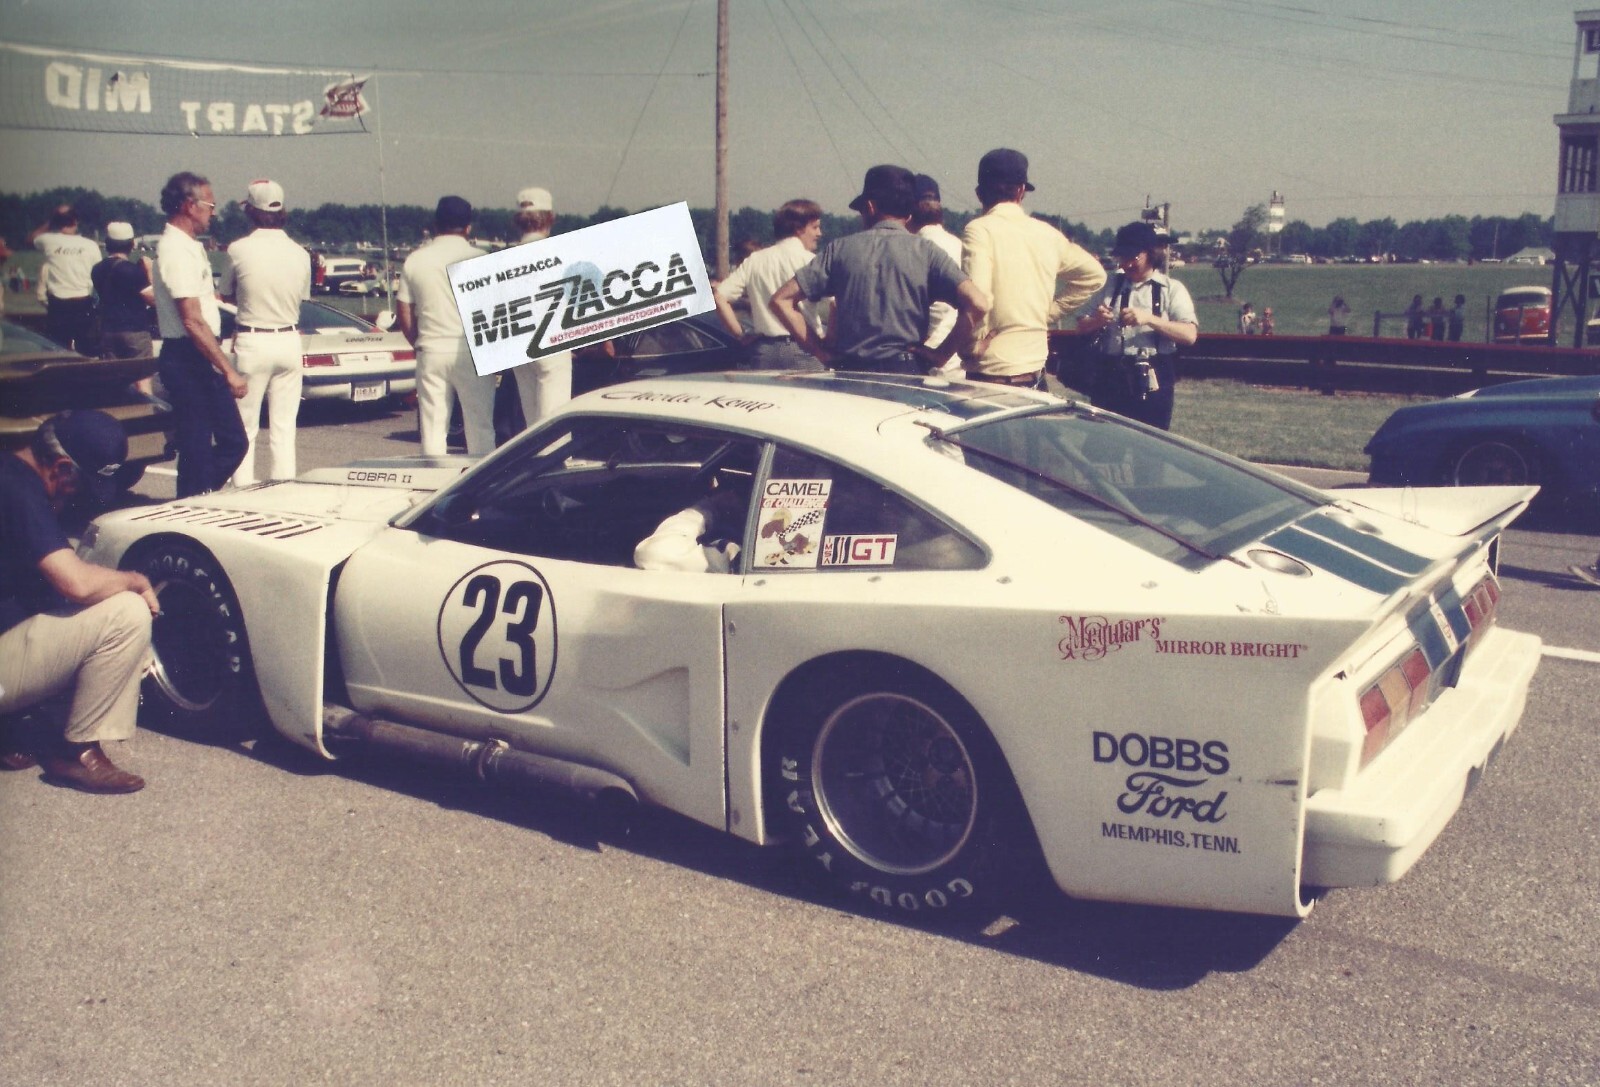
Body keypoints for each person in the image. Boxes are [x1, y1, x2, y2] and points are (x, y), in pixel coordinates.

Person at [0, 410, 159, 793]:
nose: (78, 496)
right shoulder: (17, 489)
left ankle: (14, 727)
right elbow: (75, 583)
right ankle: (74, 754)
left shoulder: (9, 472)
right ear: (61, 466)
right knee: (127, 613)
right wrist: (135, 581)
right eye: (79, 485)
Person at [769, 164, 989, 374]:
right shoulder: (927, 252)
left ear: (870, 207)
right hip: (907, 372)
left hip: (851, 371)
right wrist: (942, 354)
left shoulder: (839, 249)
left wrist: (819, 351)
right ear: (909, 214)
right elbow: (978, 303)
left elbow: (781, 300)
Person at [960, 150, 1105, 389]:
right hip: (1035, 373)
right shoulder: (1047, 234)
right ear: (1021, 192)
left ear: (979, 193)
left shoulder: (979, 229)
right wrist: (1047, 314)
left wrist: (970, 346)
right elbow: (1094, 275)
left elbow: (980, 296)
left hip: (992, 374)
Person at [152, 171, 249, 498]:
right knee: (196, 447)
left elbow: (196, 306)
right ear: (189, 205)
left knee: (232, 443)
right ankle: (190, 507)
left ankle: (194, 499)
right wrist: (229, 371)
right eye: (210, 204)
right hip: (187, 355)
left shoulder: (188, 247)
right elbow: (192, 321)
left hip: (197, 352)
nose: (213, 211)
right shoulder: (175, 250)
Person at [218, 179, 312, 487]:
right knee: (284, 427)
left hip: (253, 340)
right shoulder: (300, 253)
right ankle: (283, 488)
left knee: (245, 426)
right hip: (288, 340)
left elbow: (227, 294)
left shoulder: (238, 249)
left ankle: (242, 490)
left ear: (252, 212)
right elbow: (302, 297)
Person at [1074, 221, 1198, 430]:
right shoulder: (1111, 285)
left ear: (1150, 253)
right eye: (1122, 258)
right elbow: (1080, 325)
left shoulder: (1171, 289)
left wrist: (1150, 319)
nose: (1126, 264)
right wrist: (1097, 320)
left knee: (1151, 445)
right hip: (1112, 375)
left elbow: (1189, 335)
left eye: (1133, 257)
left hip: (1154, 376)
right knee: (1106, 442)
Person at [397, 196, 493, 456]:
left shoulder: (416, 260)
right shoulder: (480, 257)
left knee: (433, 427)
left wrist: (417, 341)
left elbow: (404, 309)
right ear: (468, 227)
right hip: (472, 351)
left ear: (436, 224)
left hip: (431, 349)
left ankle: (433, 483)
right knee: (480, 426)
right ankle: (481, 489)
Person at [494, 185, 574, 443]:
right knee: (555, 423)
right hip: (551, 344)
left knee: (532, 423)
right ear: (550, 217)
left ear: (519, 222)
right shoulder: (560, 253)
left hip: (520, 345)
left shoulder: (503, 259)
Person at [713, 198, 825, 371]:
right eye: (815, 227)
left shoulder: (755, 259)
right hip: (805, 347)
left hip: (764, 351)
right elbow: (835, 303)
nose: (819, 233)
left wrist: (740, 334)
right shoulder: (811, 261)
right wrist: (828, 342)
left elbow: (719, 297)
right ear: (798, 228)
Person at [29, 204, 101, 353]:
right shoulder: (90, 245)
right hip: (83, 303)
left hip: (58, 304)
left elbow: (31, 239)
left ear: (56, 222)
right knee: (86, 351)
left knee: (56, 349)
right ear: (76, 221)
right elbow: (98, 274)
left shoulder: (47, 240)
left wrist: (50, 222)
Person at [908, 175, 963, 366]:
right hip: (956, 357)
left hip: (927, 356)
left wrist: (925, 344)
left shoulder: (915, 248)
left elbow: (938, 308)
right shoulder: (959, 244)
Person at [91, 222, 155, 362]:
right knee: (142, 377)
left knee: (114, 377)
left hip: (108, 330)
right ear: (132, 244)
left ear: (107, 243)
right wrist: (149, 271)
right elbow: (153, 299)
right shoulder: (132, 270)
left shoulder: (97, 269)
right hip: (134, 330)